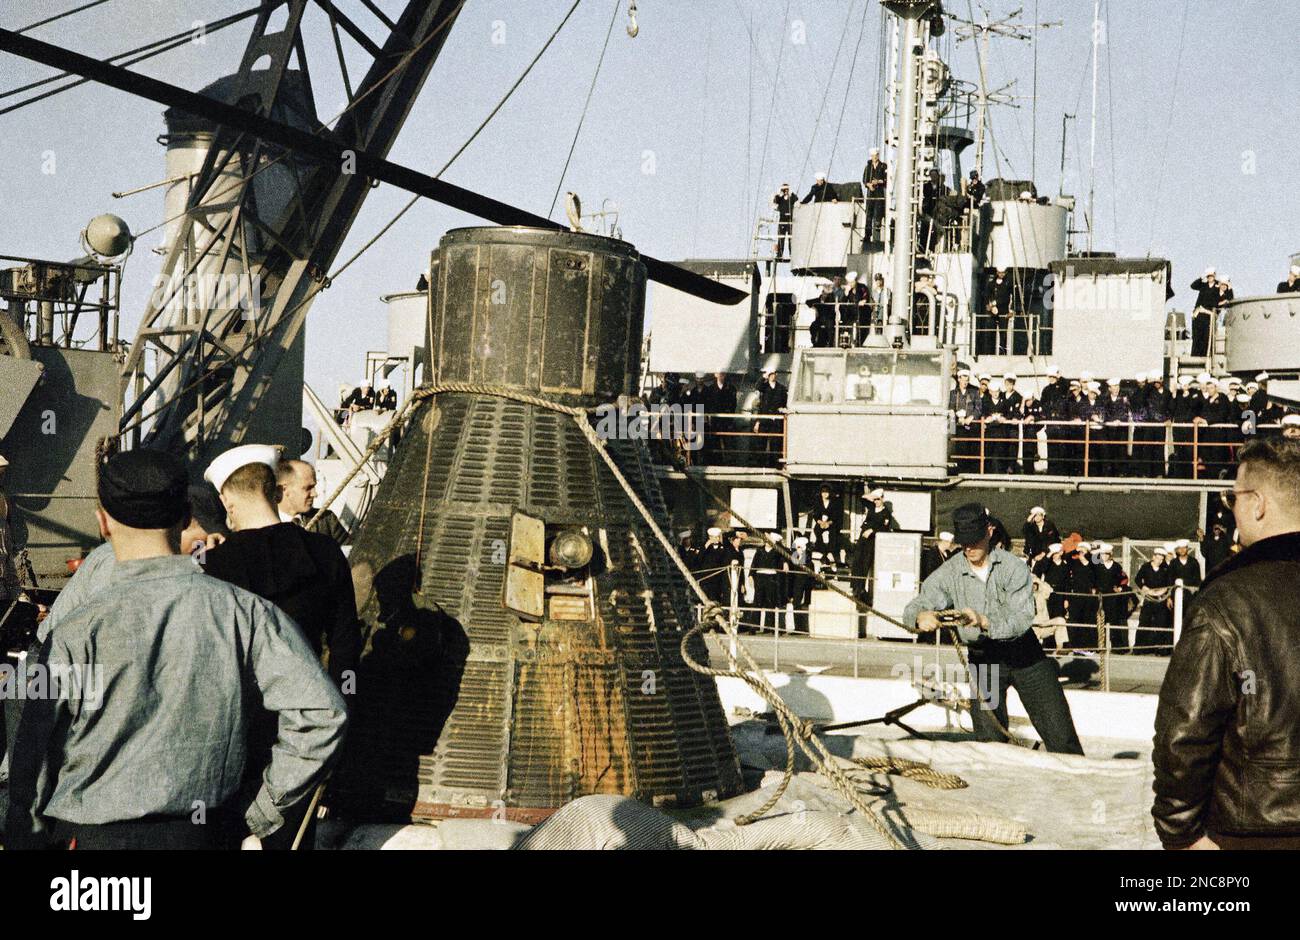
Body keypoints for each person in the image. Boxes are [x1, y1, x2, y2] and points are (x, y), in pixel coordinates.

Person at [6, 449, 347, 849]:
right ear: (187, 516)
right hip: (202, 834)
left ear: (103, 522)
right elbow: (322, 713)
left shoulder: (74, 631)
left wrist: (26, 835)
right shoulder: (246, 613)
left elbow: (32, 750)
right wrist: (263, 808)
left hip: (93, 841)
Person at [201, 444, 363, 850]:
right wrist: (341, 722)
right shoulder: (325, 554)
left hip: (232, 735)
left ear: (226, 499)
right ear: (274, 490)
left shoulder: (215, 565)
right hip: (302, 732)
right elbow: (346, 647)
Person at [1153, 436, 1300, 849]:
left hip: (1250, 828)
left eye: (1232, 497)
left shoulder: (1226, 599)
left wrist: (1180, 834)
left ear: (1258, 504)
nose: (1231, 508)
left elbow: (1184, 733)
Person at [903, 504, 1084, 754]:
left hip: (1026, 657)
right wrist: (919, 616)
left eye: (974, 540)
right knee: (989, 744)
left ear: (989, 531)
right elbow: (917, 605)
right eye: (964, 542)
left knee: (1060, 733)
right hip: (984, 660)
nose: (969, 548)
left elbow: (1021, 619)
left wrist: (984, 621)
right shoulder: (949, 572)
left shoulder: (1013, 568)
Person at [277, 458, 350, 546]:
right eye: (308, 488)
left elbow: (351, 554)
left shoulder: (326, 520)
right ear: (285, 489)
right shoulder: (261, 524)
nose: (315, 494)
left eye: (314, 487)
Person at [1133, 545, 1174, 655]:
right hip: (1148, 599)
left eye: (1162, 559)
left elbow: (1169, 583)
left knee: (1161, 623)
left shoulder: (1165, 568)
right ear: (1153, 556)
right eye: (1158, 558)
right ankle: (1138, 649)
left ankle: (1159, 650)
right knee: (1144, 623)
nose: (1160, 561)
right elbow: (1137, 579)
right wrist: (1144, 588)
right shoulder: (1146, 567)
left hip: (1161, 600)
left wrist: (1162, 592)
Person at [1094, 543, 1131, 653]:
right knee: (1101, 622)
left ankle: (1116, 647)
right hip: (1101, 597)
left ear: (1110, 555)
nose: (1104, 556)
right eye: (1102, 554)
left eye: (1106, 554)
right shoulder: (1097, 566)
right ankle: (1101, 646)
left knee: (1114, 622)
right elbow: (1093, 579)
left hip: (1113, 599)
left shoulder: (1116, 566)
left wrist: (1120, 587)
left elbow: (1124, 579)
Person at [751, 534, 788, 633]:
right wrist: (751, 576)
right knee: (757, 602)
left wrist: (785, 563)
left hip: (771, 577)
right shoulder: (759, 550)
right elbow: (754, 563)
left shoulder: (777, 551)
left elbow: (785, 555)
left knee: (770, 603)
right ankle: (753, 627)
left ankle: (769, 627)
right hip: (760, 577)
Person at [1067, 542, 1099, 653]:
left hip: (1089, 596)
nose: (1081, 552)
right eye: (1080, 550)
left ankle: (1090, 647)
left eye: (1083, 550)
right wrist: (1076, 549)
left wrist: (1088, 554)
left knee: (1088, 621)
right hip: (1076, 596)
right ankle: (1077, 647)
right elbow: (1066, 556)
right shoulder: (1075, 563)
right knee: (1076, 620)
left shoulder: (1093, 562)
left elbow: (1097, 573)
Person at [949, 369, 982, 472]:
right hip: (959, 427)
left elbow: (978, 408)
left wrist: (971, 417)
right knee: (960, 449)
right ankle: (961, 471)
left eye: (967, 381)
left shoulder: (974, 392)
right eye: (963, 380)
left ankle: (972, 472)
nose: (965, 383)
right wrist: (957, 420)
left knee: (972, 450)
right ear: (959, 380)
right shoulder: (953, 393)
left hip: (971, 427)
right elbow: (951, 408)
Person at [753, 369, 787, 467]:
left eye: (773, 374)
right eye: (770, 374)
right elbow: (757, 386)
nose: (772, 376)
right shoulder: (765, 387)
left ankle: (775, 465)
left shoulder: (781, 388)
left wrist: (782, 409)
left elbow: (784, 402)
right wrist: (764, 376)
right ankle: (761, 465)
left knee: (775, 444)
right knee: (761, 443)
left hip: (775, 420)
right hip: (764, 419)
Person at [1188, 268, 1220, 358]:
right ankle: (1195, 356)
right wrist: (1201, 277)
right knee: (1197, 336)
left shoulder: (1218, 285)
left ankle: (1206, 356)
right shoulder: (1203, 285)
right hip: (1199, 313)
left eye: (1211, 276)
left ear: (1214, 276)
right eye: (1208, 276)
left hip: (1209, 314)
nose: (1210, 277)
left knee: (1207, 336)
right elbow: (1193, 286)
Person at [861, 149, 888, 247]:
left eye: (876, 155)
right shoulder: (868, 167)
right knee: (869, 214)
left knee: (878, 214)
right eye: (873, 155)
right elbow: (864, 179)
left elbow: (886, 179)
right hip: (871, 193)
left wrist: (879, 182)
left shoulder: (883, 166)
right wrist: (869, 185)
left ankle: (877, 238)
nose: (875, 157)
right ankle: (867, 236)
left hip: (879, 192)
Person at [788, 536, 813, 633]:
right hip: (797, 583)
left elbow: (804, 565)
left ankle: (804, 627)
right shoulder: (795, 556)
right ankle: (798, 627)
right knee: (796, 604)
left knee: (804, 605)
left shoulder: (807, 557)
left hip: (805, 584)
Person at [771, 183, 795, 260]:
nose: (786, 191)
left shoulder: (791, 197)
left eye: (787, 189)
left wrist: (791, 193)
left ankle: (792, 253)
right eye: (784, 189)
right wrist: (779, 193)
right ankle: (780, 254)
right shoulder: (780, 198)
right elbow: (775, 201)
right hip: (782, 218)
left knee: (791, 238)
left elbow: (796, 199)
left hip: (790, 218)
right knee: (781, 237)